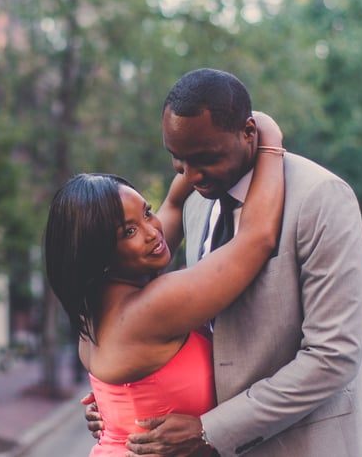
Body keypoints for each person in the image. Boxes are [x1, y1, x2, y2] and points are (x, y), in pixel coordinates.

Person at [85, 68, 362, 456]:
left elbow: (332, 357)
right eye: (178, 160)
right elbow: (206, 335)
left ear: (247, 132)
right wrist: (131, 393)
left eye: (204, 158)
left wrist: (210, 429)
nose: (191, 176)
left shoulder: (320, 197)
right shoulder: (196, 200)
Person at [44, 112, 287, 457]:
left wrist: (196, 150)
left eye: (145, 211)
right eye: (128, 231)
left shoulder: (93, 307)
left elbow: (173, 205)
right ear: (98, 254)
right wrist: (270, 140)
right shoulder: (151, 308)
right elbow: (257, 238)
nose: (151, 231)